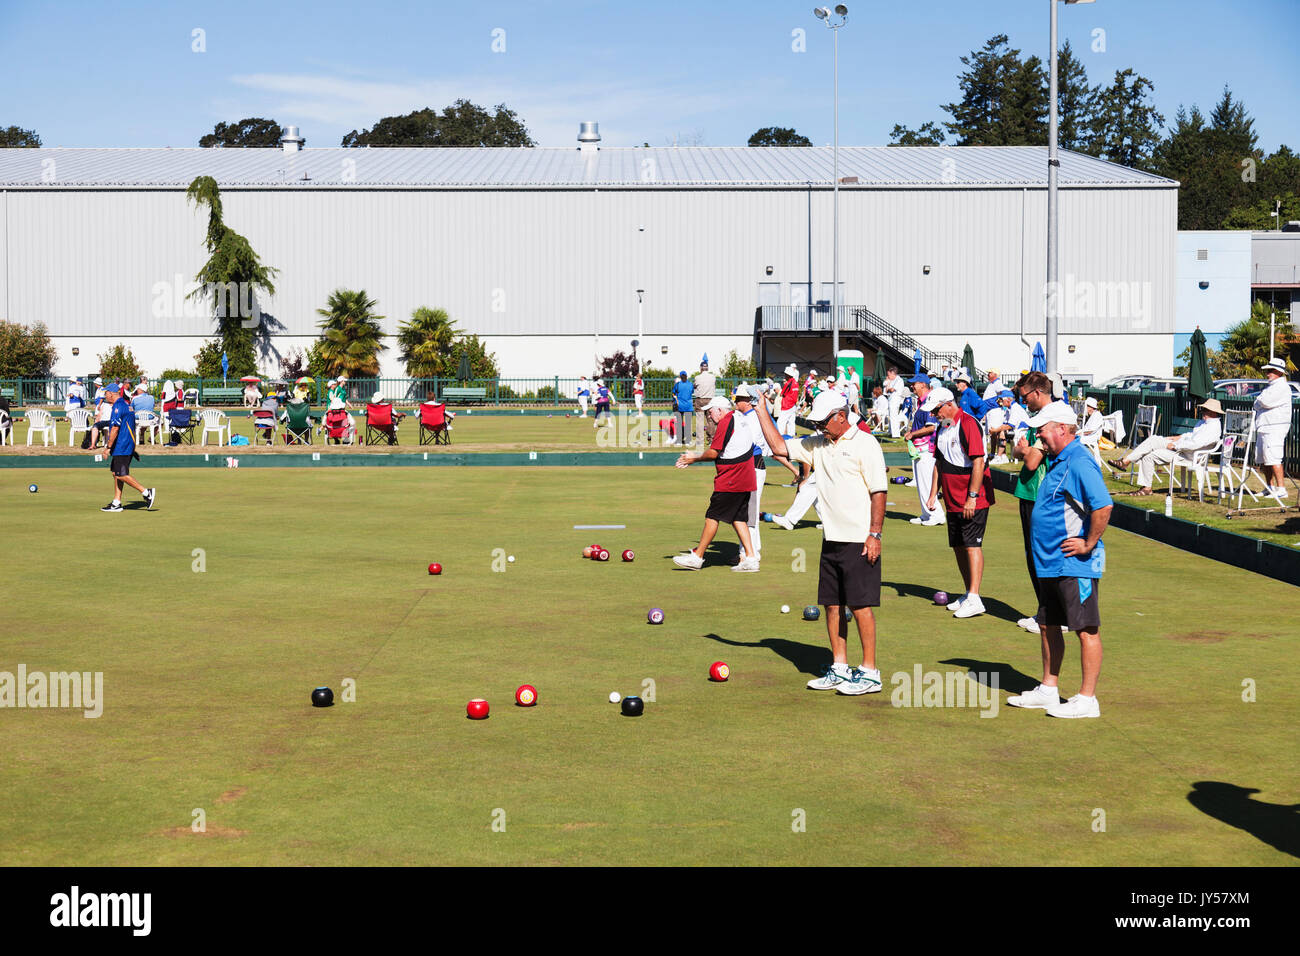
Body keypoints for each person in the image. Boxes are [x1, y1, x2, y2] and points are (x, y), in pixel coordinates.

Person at [754, 388, 888, 695]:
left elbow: (879, 491)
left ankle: (869, 672)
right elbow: (778, 445)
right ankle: (839, 667)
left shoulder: (866, 444)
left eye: (823, 421)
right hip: (831, 538)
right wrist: (761, 410)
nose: (818, 427)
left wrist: (875, 533)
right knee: (831, 605)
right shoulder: (818, 444)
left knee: (861, 605)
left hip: (860, 538)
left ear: (841, 416)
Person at [1006, 402, 1113, 719]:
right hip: (1051, 561)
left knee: (1086, 628)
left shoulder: (1079, 461)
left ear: (1063, 429)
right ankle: (1048, 689)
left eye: (1043, 428)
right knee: (1047, 623)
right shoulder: (1057, 460)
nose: (1038, 434)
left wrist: (1088, 543)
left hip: (1074, 563)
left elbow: (1103, 506)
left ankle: (1087, 699)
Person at [923, 386, 994, 619]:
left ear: (949, 404)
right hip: (952, 498)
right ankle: (968, 593)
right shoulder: (942, 428)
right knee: (958, 545)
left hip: (973, 497)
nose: (934, 415)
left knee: (972, 544)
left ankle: (975, 597)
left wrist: (972, 497)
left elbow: (978, 462)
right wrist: (934, 493)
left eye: (936, 410)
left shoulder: (969, 423)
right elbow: (939, 463)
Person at [672, 396, 759, 572]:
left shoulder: (726, 422)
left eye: (711, 411)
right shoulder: (739, 417)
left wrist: (693, 459)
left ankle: (697, 557)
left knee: (712, 516)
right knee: (738, 518)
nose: (709, 415)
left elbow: (714, 452)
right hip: (745, 476)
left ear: (720, 409)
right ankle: (751, 558)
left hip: (731, 477)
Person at [1010, 371, 1060, 633]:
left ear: (1037, 393)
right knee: (1034, 554)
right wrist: (1020, 449)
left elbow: (1030, 459)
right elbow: (1017, 450)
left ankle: (1053, 614)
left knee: (1042, 555)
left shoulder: (1051, 418)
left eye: (1025, 396)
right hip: (1030, 491)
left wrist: (1022, 449)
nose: (1023, 401)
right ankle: (1045, 610)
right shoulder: (1037, 418)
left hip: (1041, 493)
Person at [1108, 400, 1222, 494]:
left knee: (1150, 454)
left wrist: (1175, 446)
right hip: (1182, 450)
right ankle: (1141, 481)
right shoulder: (1203, 423)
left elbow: (1195, 444)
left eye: (1205, 410)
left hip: (1189, 455)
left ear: (1213, 412)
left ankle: (1127, 464)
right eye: (1203, 409)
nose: (1203, 412)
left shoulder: (1213, 427)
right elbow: (1191, 435)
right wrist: (1177, 437)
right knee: (1153, 440)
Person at [94, 381, 154, 513]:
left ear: (111, 394)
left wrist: (108, 447)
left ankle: (146, 492)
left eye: (106, 394)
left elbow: (115, 428)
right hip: (126, 443)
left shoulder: (117, 407)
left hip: (122, 444)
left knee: (121, 474)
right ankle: (117, 502)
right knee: (116, 473)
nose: (105, 396)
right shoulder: (126, 405)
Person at [904, 374, 943, 526]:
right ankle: (927, 514)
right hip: (919, 448)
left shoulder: (928, 402)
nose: (912, 386)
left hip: (927, 448)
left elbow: (931, 427)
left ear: (923, 385)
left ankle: (935, 514)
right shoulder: (921, 402)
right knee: (921, 482)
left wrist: (912, 433)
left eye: (914, 384)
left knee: (927, 482)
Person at [1253, 359, 1293, 498]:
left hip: (1275, 427)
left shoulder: (1282, 387)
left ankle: (1281, 489)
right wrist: (1260, 401)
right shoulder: (1270, 386)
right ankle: (1269, 487)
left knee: (1274, 457)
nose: (1267, 373)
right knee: (1264, 459)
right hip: (1264, 426)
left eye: (1270, 370)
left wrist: (1260, 401)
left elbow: (1264, 401)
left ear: (1278, 372)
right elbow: (1256, 403)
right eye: (1267, 370)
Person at [693, 358, 717, 444]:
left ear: (701, 368)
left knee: (699, 420)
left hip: (700, 400)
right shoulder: (713, 377)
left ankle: (700, 440)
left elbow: (694, 386)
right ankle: (711, 439)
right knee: (710, 420)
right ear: (707, 368)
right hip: (710, 400)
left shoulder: (697, 377)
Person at [777, 364, 801, 437]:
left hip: (787, 405)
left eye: (785, 374)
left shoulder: (788, 383)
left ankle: (779, 437)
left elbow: (782, 394)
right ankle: (791, 437)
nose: (784, 375)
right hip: (792, 405)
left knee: (780, 422)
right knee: (791, 422)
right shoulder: (795, 383)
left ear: (787, 374)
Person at [671, 371, 693, 445]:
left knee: (679, 423)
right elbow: (692, 392)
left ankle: (680, 440)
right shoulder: (690, 384)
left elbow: (673, 393)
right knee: (688, 423)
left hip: (680, 406)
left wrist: (676, 400)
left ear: (680, 377)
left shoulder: (677, 385)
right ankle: (688, 440)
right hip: (689, 406)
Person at [882, 367, 906, 438]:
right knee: (891, 416)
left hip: (895, 399)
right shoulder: (892, 380)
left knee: (894, 417)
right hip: (891, 399)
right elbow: (886, 389)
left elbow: (892, 389)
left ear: (893, 374)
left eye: (889, 375)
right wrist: (888, 383)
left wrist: (889, 388)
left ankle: (896, 434)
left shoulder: (899, 380)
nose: (888, 377)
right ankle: (891, 431)